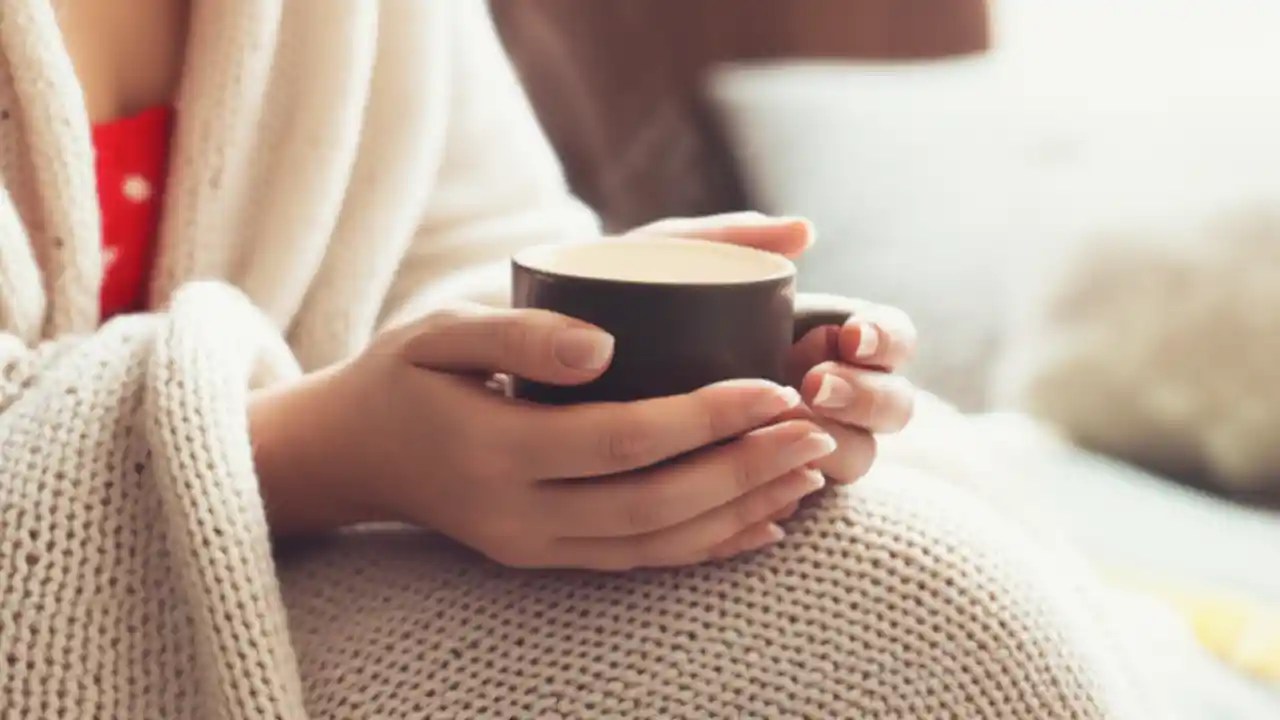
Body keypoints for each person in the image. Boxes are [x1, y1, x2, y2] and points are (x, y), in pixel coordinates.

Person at [0, 1, 1147, 717]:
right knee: (926, 636)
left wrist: (576, 361)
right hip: (98, 613)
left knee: (926, 543)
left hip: (299, 561)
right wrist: (311, 454)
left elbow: (459, 249)